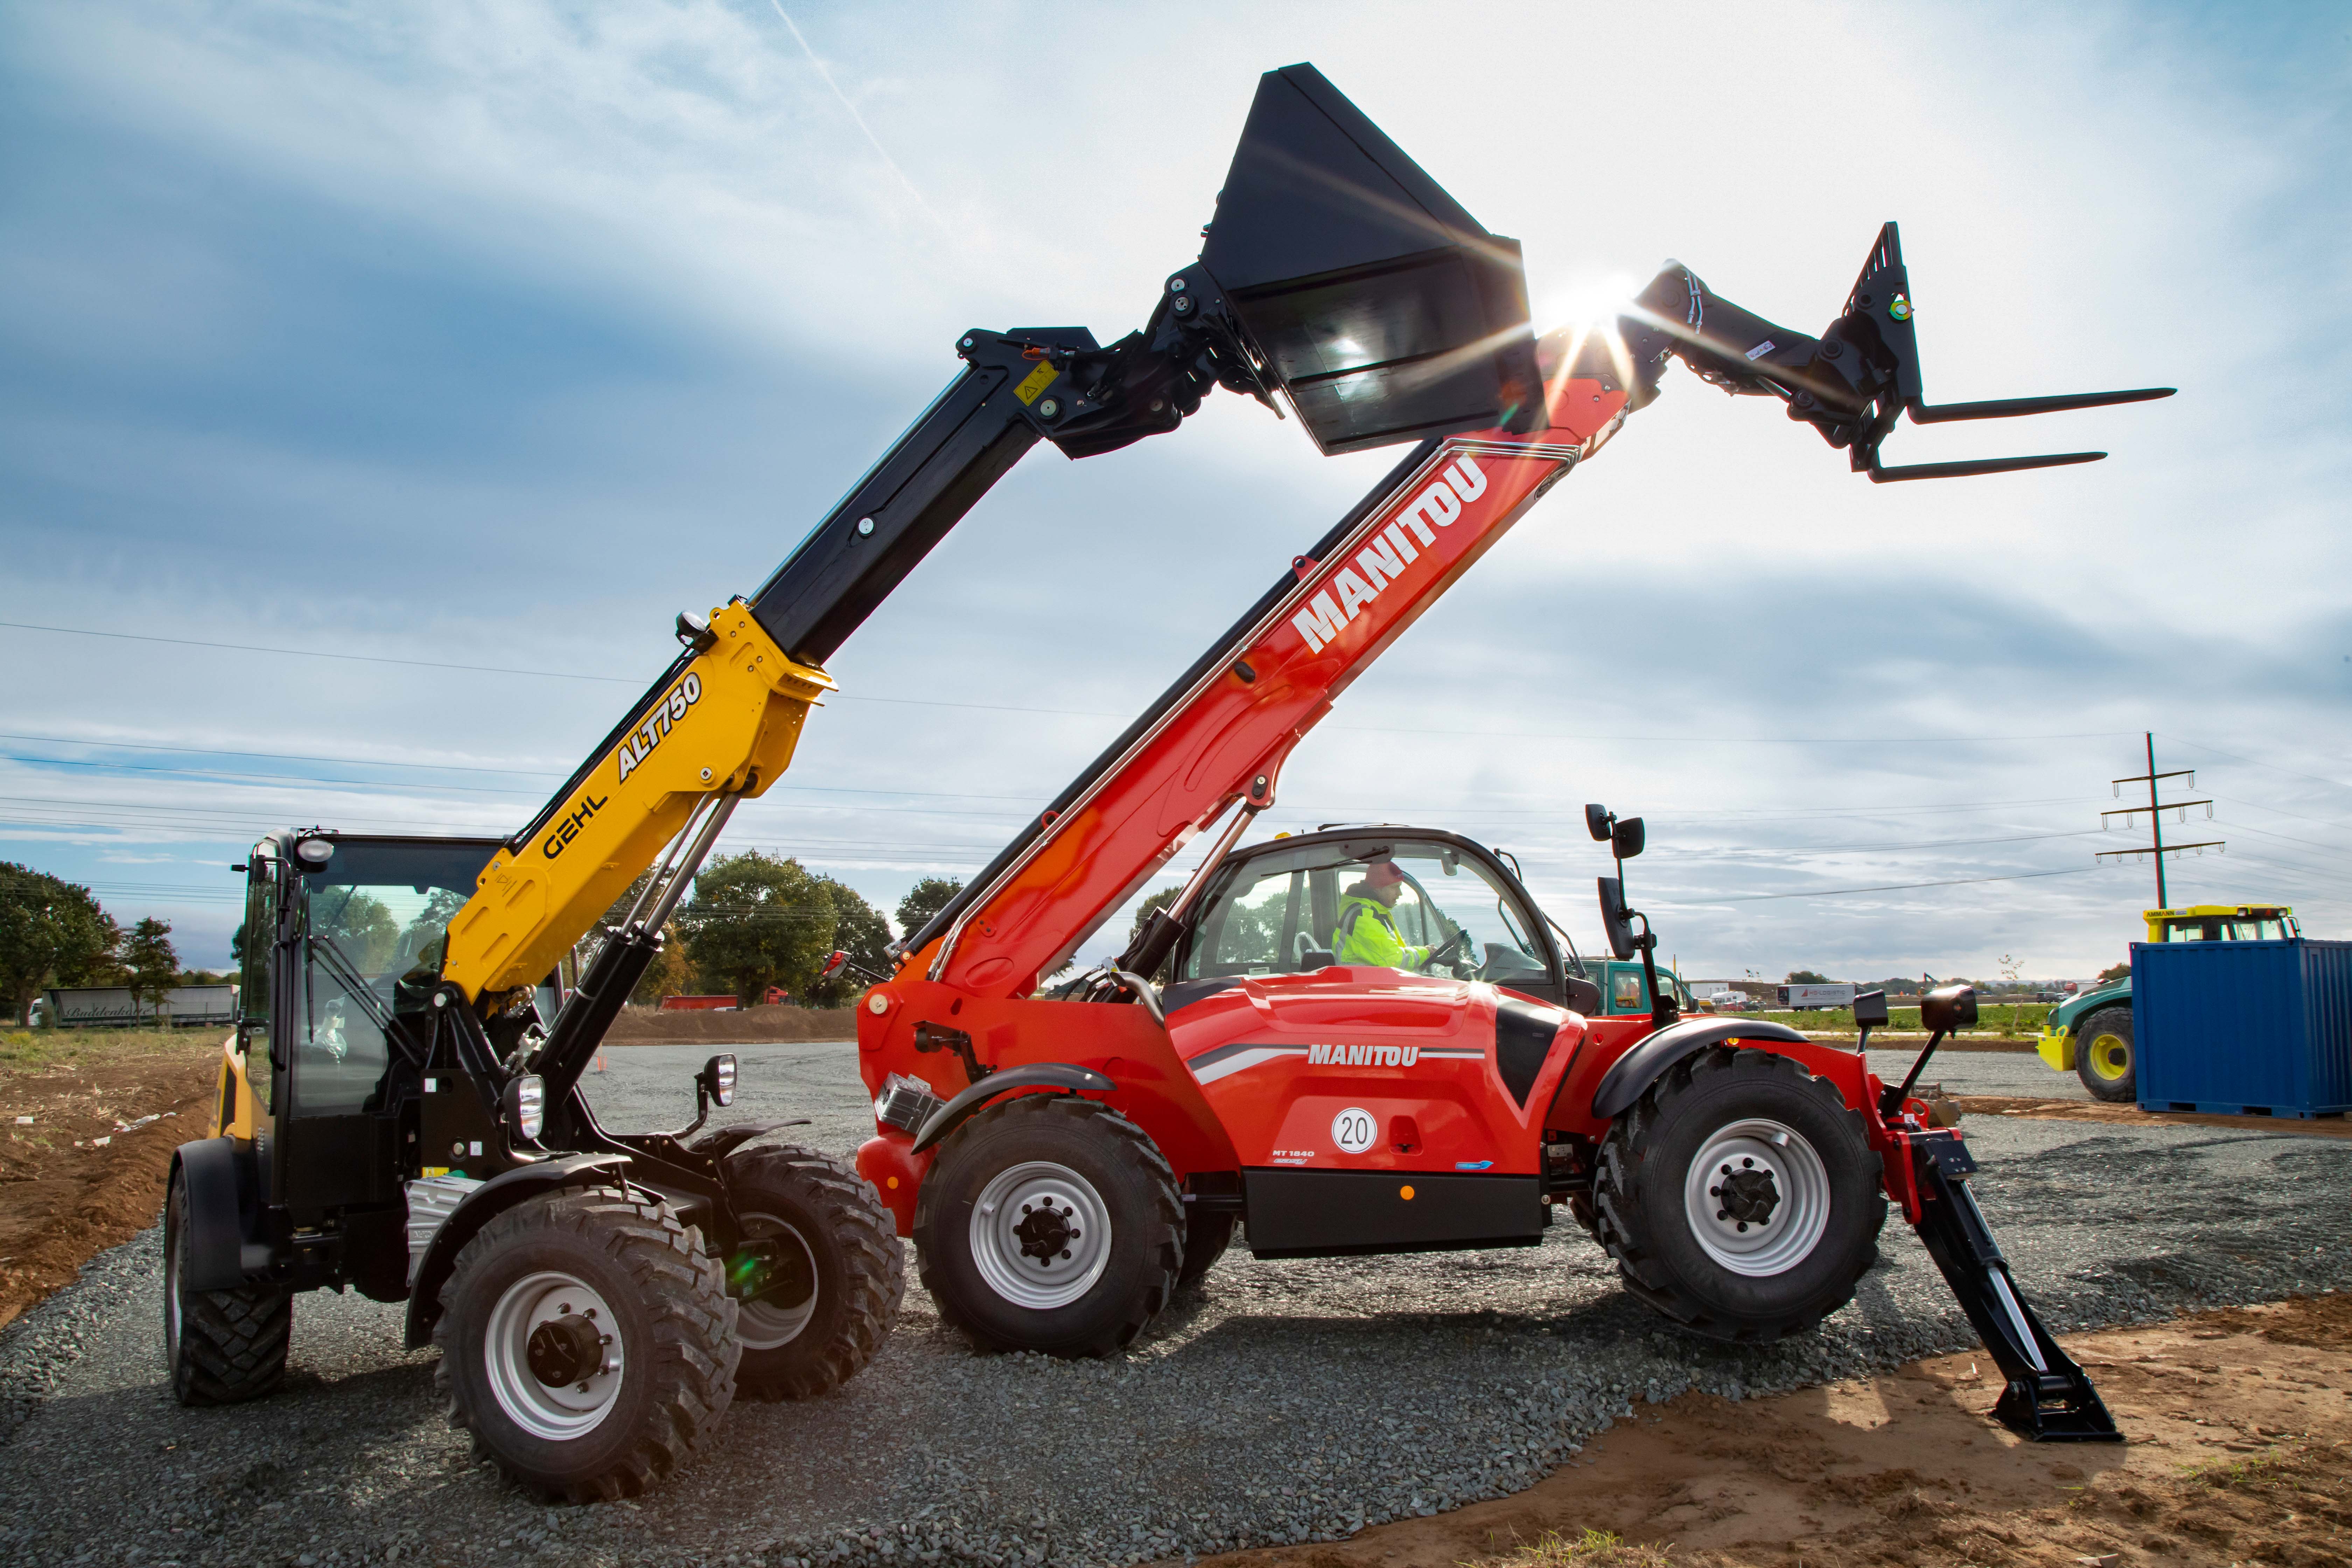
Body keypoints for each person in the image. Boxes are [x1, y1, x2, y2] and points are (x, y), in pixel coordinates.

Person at [1332, 859, 1464, 972]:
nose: (1400, 893)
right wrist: (1426, 953)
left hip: (1374, 987)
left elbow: (1393, 954)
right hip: (1364, 991)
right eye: (1395, 887)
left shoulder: (1378, 913)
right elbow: (1395, 961)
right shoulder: (1364, 917)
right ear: (1378, 887)